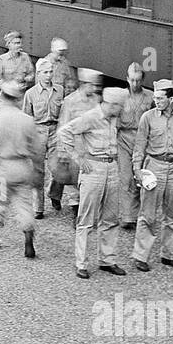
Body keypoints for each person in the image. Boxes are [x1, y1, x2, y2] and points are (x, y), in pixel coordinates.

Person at [131, 79, 173, 271]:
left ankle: (169, 255)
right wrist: (137, 170)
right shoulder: (148, 118)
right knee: (148, 214)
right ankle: (141, 257)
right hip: (154, 166)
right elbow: (139, 145)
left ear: (171, 98)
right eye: (155, 98)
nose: (156, 101)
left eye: (160, 98)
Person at [67, 87, 129, 279]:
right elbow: (66, 132)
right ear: (110, 104)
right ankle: (81, 263)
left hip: (112, 168)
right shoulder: (90, 117)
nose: (121, 109)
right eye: (119, 105)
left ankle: (107, 260)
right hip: (93, 169)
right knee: (86, 219)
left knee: (110, 218)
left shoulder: (113, 119)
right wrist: (78, 157)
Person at [0, 82, 40, 259]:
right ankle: (28, 239)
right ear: (18, 99)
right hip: (23, 167)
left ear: (3, 97)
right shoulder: (28, 120)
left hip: (3, 167)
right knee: (24, 204)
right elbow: (36, 148)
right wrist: (35, 169)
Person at [50, 67, 103, 213]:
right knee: (72, 178)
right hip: (72, 145)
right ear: (84, 84)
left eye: (96, 86)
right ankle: (75, 210)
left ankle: (73, 204)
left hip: (88, 146)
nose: (95, 88)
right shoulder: (70, 101)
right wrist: (62, 150)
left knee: (82, 177)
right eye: (93, 85)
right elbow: (63, 125)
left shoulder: (96, 100)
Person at [22, 58, 63, 218]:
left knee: (58, 168)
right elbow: (26, 118)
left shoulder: (60, 90)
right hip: (38, 132)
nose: (48, 75)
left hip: (55, 131)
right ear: (38, 74)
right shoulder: (30, 94)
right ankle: (38, 207)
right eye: (45, 72)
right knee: (37, 171)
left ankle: (54, 194)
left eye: (50, 72)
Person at [117, 63, 155, 228]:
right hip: (124, 139)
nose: (135, 84)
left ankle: (142, 215)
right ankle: (128, 216)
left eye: (138, 80)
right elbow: (112, 121)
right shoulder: (120, 97)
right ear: (127, 79)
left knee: (142, 177)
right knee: (126, 178)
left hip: (144, 141)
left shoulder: (151, 97)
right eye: (132, 80)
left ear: (143, 80)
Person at [0, 31, 35, 99]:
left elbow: (31, 74)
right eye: (16, 43)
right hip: (6, 97)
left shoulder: (25, 57)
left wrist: (27, 80)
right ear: (9, 44)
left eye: (20, 43)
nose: (19, 45)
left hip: (22, 96)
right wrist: (9, 87)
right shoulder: (1, 59)